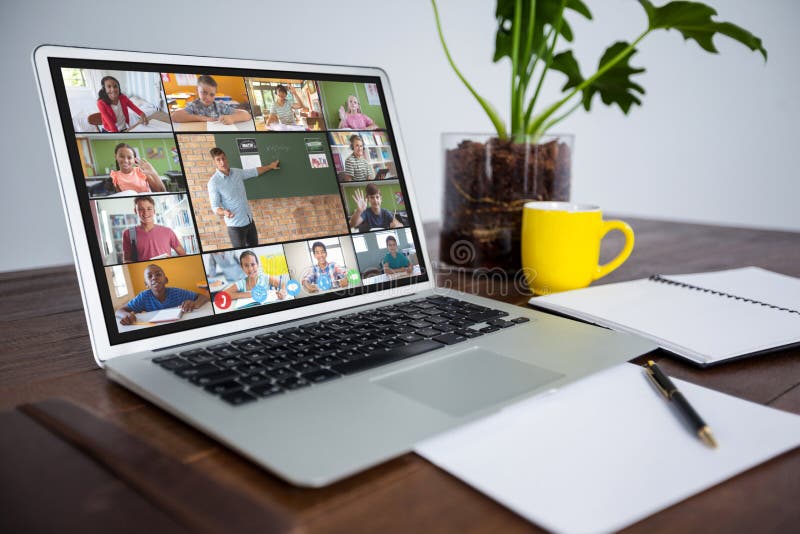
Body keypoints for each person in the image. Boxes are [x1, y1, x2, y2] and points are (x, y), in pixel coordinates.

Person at [207, 147, 280, 248]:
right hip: (235, 227)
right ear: (214, 162)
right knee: (241, 253)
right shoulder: (213, 182)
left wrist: (270, 166)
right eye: (218, 160)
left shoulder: (236, 172)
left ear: (226, 158)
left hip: (249, 222)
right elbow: (214, 207)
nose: (222, 162)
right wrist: (224, 212)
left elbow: (254, 171)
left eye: (223, 158)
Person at [115, 264, 209, 325]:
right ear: (146, 284)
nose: (154, 278)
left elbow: (203, 296)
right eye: (149, 276)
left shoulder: (177, 293)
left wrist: (195, 303)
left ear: (166, 280)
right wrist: (125, 315)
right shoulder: (143, 297)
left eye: (158, 274)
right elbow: (119, 310)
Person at [122, 196, 186, 263]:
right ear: (135, 211)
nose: (145, 213)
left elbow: (183, 254)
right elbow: (127, 260)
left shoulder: (168, 231)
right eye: (141, 209)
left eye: (149, 209)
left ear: (154, 211)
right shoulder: (128, 233)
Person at [170, 75, 252, 124]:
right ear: (197, 91)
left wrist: (233, 118)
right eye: (204, 92)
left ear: (215, 94)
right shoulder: (193, 106)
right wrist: (202, 118)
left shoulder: (220, 106)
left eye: (212, 94)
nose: (208, 97)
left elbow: (247, 115)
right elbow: (174, 116)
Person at [222, 250, 287, 301]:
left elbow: (283, 284)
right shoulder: (242, 283)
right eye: (246, 265)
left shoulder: (265, 278)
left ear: (257, 264)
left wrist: (283, 291)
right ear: (242, 268)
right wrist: (248, 294)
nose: (250, 269)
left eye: (253, 264)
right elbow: (223, 294)